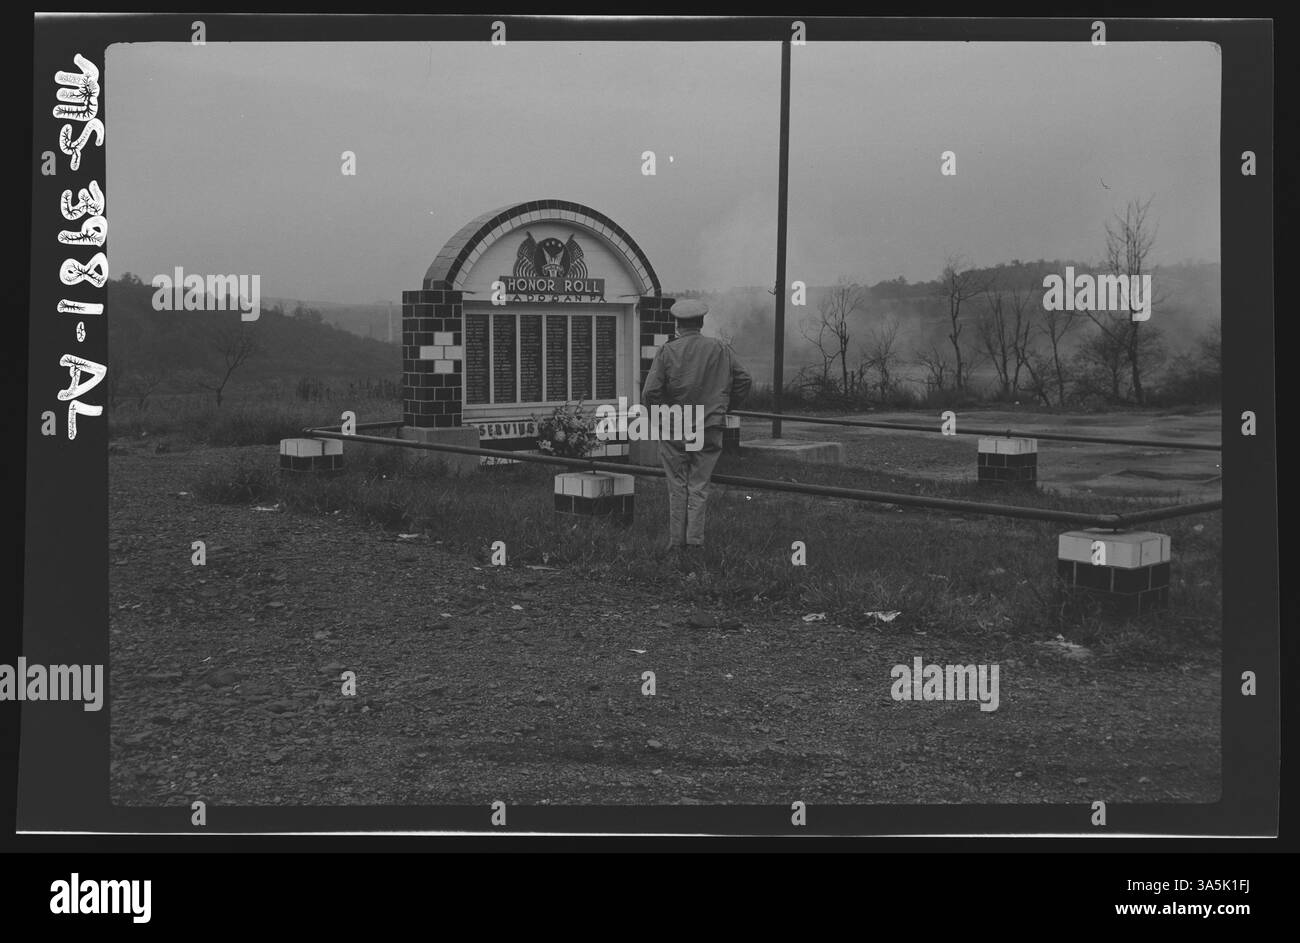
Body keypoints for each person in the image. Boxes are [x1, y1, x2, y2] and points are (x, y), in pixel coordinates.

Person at [641, 298, 752, 558]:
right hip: (709, 427)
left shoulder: (667, 352)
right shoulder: (720, 349)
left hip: (675, 428)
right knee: (699, 485)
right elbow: (744, 380)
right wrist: (725, 407)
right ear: (701, 322)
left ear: (677, 324)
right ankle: (695, 543)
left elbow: (650, 392)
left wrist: (660, 417)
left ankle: (676, 543)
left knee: (677, 485)